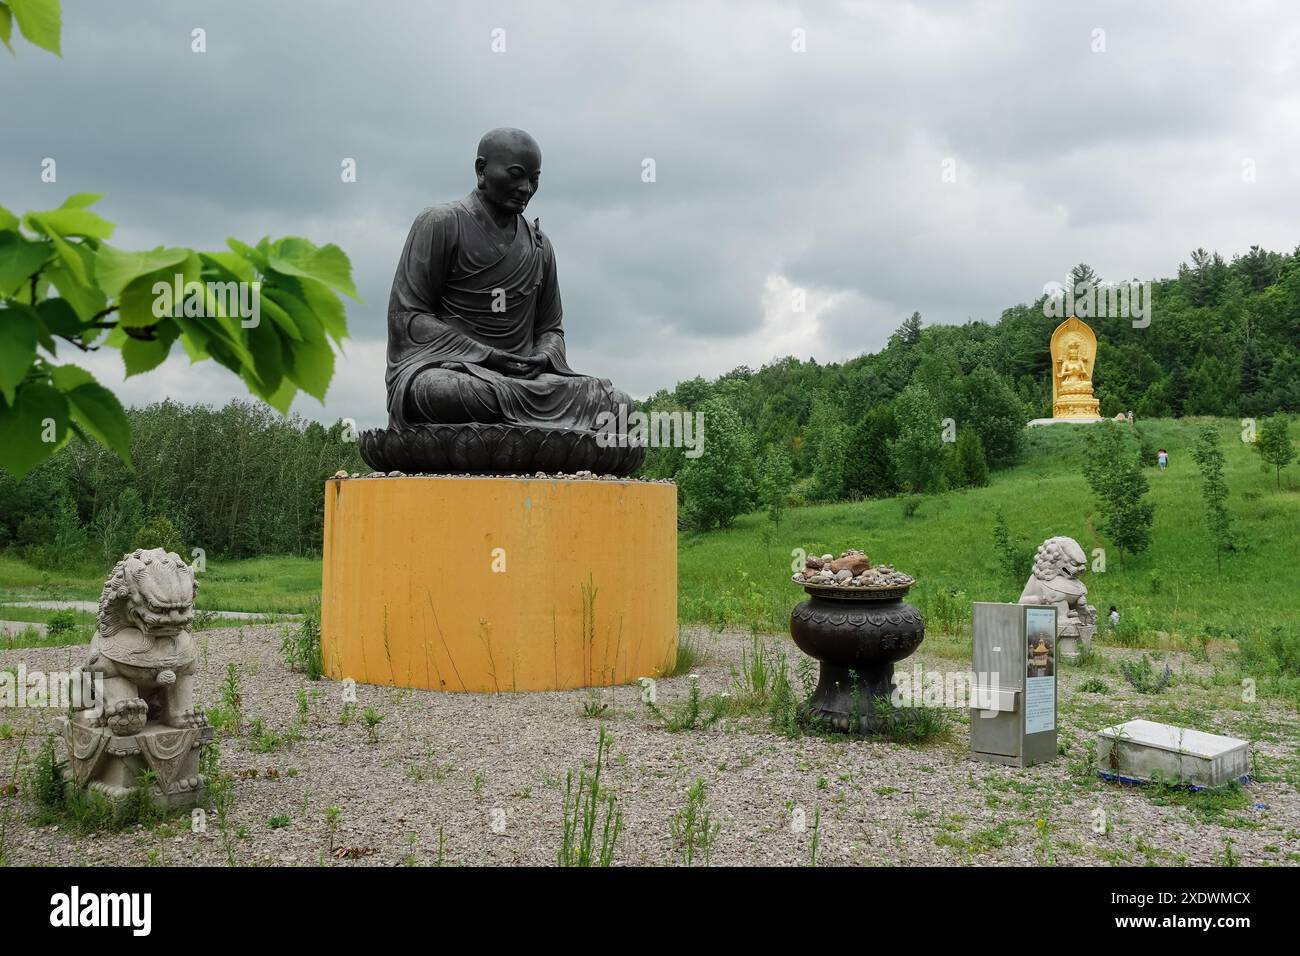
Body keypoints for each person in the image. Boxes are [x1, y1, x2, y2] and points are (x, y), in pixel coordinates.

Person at [384, 128, 633, 430]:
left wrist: (542, 356)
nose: (526, 188)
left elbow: (551, 328)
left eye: (534, 178)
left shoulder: (539, 244)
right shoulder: (441, 223)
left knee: (615, 405)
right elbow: (407, 318)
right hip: (460, 371)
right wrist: (485, 356)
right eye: (516, 175)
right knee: (441, 391)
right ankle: (537, 430)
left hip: (524, 379)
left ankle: (519, 427)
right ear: (481, 170)